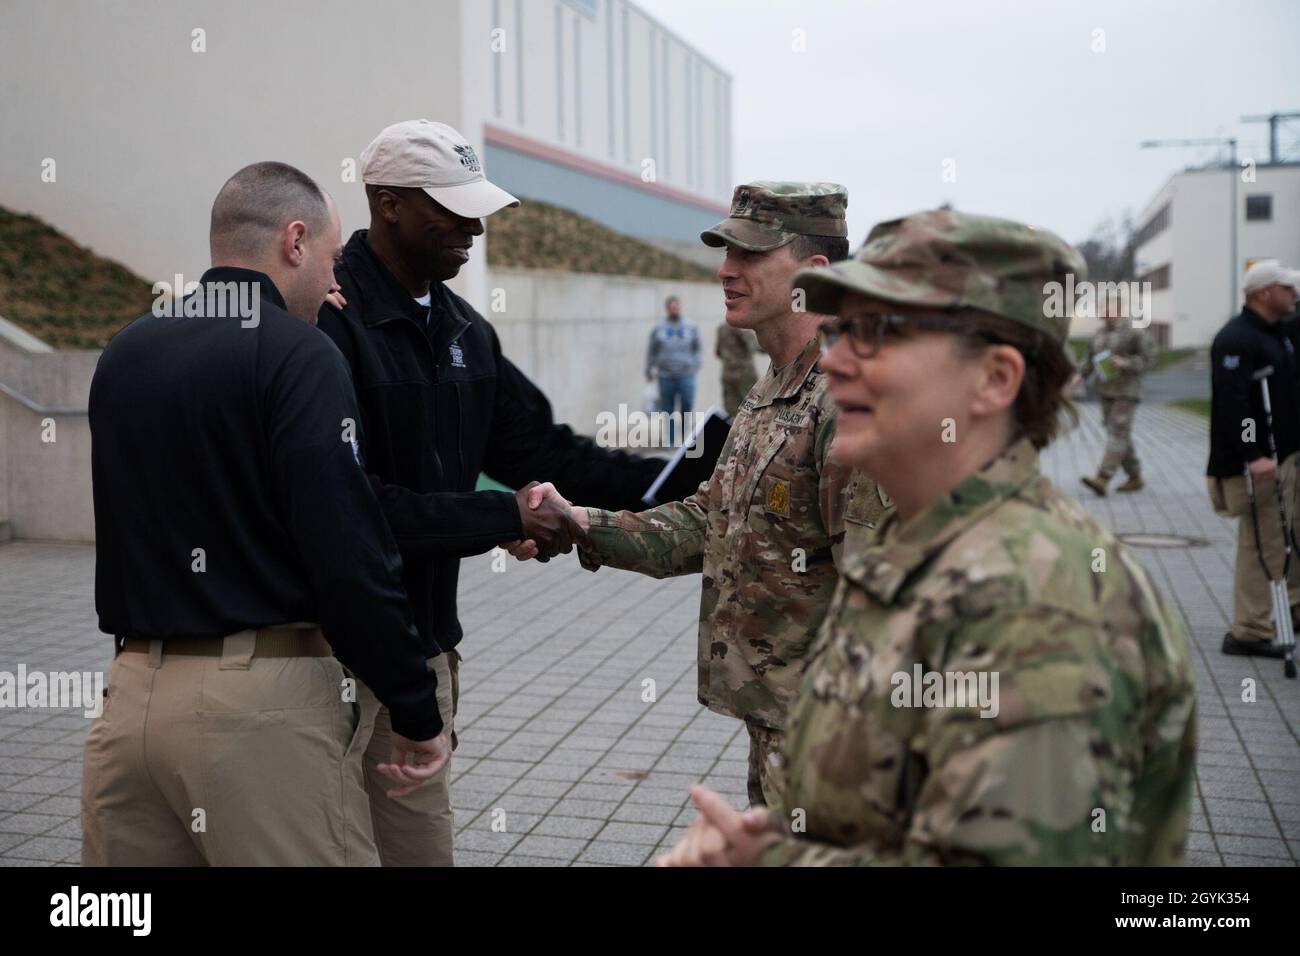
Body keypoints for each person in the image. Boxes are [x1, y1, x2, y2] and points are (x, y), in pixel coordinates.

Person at [656, 208, 1196, 867]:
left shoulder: (1034, 598)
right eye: (845, 329)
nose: (840, 360)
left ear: (995, 379)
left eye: (880, 333)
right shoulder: (921, 549)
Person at [316, 119, 664, 866]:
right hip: (324, 665)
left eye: (476, 205)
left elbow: (547, 454)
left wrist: (700, 462)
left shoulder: (465, 333)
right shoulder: (325, 324)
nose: (473, 226)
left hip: (428, 653)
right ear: (387, 203)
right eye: (450, 207)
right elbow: (353, 510)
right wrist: (502, 514)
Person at [83, 162, 448, 866]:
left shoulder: (126, 351)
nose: (336, 283)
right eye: (334, 260)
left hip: (127, 704)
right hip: (255, 716)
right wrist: (415, 705)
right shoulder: (298, 355)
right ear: (294, 241)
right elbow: (347, 551)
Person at [559, 181, 890, 808]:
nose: (726, 270)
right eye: (725, 252)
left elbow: (878, 599)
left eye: (751, 255)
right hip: (778, 722)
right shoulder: (772, 388)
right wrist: (581, 524)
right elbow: (712, 517)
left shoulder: (849, 398)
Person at [1207, 259, 1300, 658]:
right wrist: (1253, 453)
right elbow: (1235, 404)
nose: (1295, 295)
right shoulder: (1237, 339)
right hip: (1259, 461)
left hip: (1288, 455)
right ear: (1264, 292)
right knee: (1262, 542)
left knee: (1289, 537)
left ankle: (1291, 608)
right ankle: (1248, 629)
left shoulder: (1277, 333)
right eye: (1288, 288)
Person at [1078, 293, 1157, 495]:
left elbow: (1148, 360)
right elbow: (1088, 362)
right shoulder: (1097, 335)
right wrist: (1078, 377)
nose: (1101, 312)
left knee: (1118, 432)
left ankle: (1102, 477)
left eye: (1106, 309)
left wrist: (1125, 363)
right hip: (1105, 391)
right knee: (1118, 434)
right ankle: (1135, 476)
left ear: (1119, 310)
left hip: (1127, 390)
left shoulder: (1135, 332)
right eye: (1100, 309)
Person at [645, 295, 701, 444]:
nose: (675, 309)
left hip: (686, 374)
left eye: (676, 307)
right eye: (672, 307)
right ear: (667, 309)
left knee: (687, 404)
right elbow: (651, 351)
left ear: (679, 307)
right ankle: (670, 440)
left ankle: (683, 437)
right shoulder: (658, 328)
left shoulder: (690, 326)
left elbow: (698, 348)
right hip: (665, 375)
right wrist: (648, 370)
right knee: (667, 409)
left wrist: (695, 364)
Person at [716, 322, 760, 416]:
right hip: (745, 375)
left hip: (728, 373)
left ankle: (734, 430)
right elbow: (754, 347)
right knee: (752, 408)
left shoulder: (722, 329)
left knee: (731, 410)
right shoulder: (743, 329)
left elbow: (718, 352)